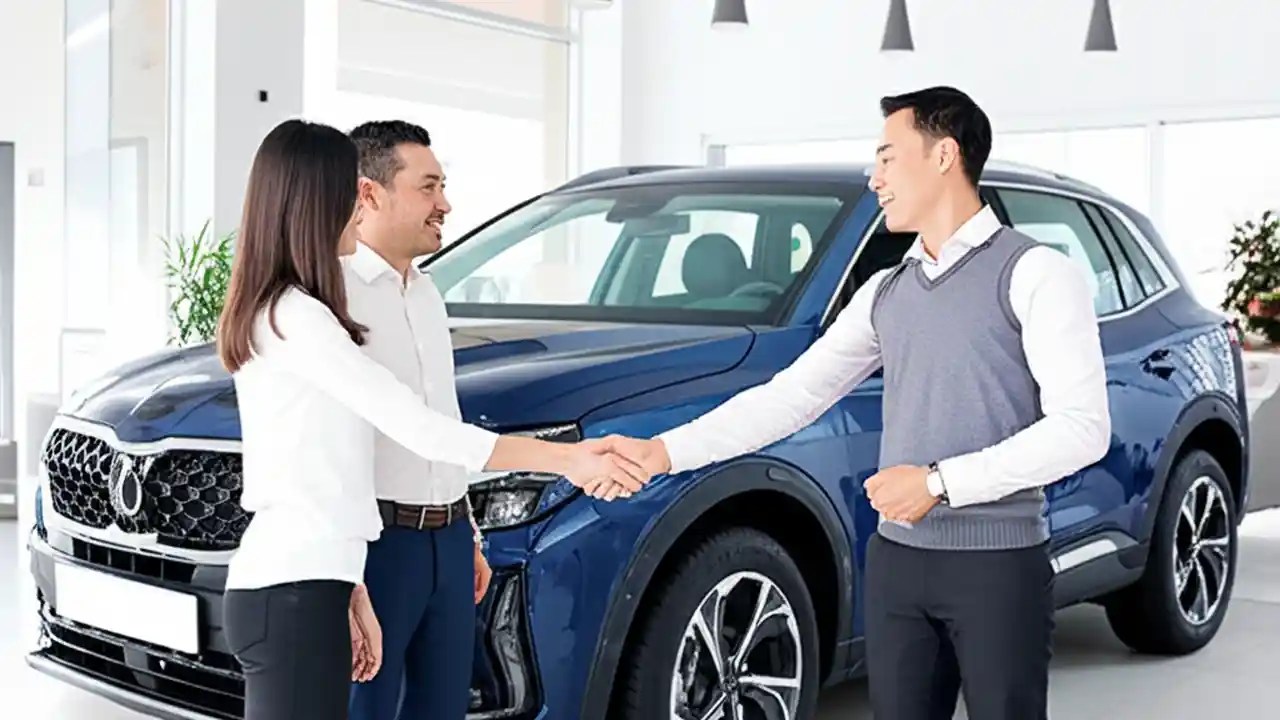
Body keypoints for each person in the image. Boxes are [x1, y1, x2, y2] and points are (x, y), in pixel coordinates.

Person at [586, 86, 1111, 720]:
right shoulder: (886, 291)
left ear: (944, 155)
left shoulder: (1036, 274)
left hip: (997, 565)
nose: (875, 176)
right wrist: (662, 452)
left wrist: (940, 484)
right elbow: (792, 397)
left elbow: (1082, 429)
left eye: (888, 157)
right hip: (897, 562)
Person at [215, 118, 645, 720]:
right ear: (321, 200)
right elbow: (416, 429)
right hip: (311, 576)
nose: (355, 204)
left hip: (329, 569)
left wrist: (363, 579)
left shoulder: (368, 300)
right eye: (427, 186)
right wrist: (568, 458)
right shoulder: (308, 314)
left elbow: (354, 453)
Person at [339, 120, 485, 720]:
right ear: (369, 193)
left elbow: (441, 417)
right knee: (366, 709)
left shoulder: (428, 294)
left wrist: (467, 529)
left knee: (443, 709)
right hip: (379, 548)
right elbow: (328, 446)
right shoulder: (329, 295)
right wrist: (346, 570)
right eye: (429, 187)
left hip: (447, 544)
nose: (445, 204)